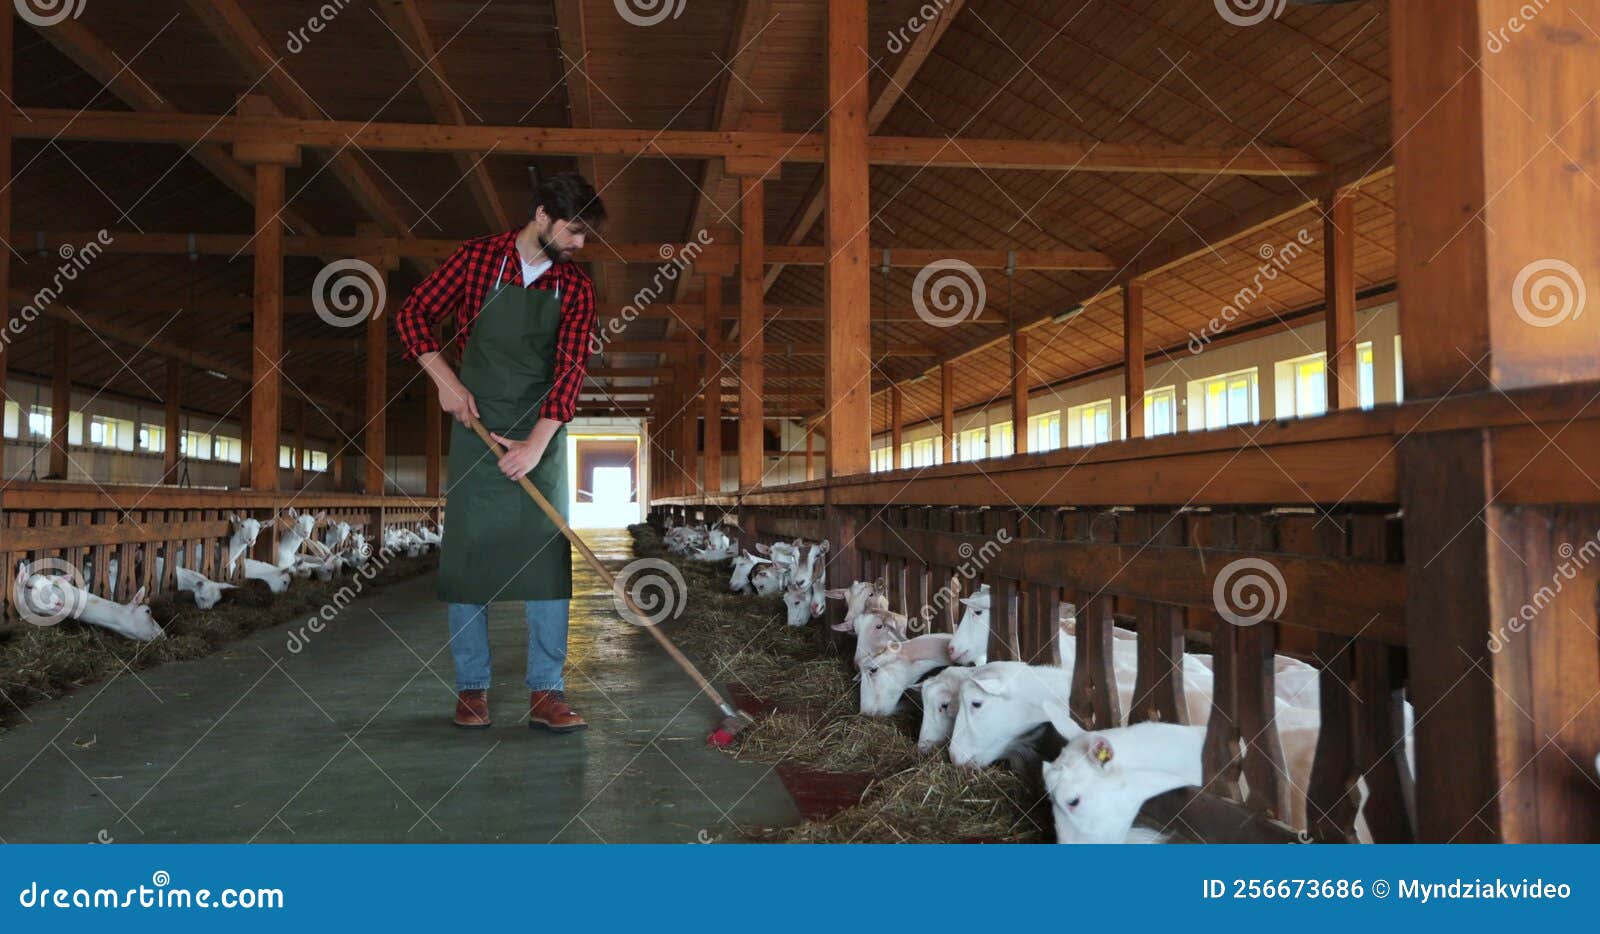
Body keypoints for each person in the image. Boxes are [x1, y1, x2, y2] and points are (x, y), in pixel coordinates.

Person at [395, 172, 606, 732]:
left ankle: (546, 692)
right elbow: (411, 316)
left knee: (547, 559)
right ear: (542, 215)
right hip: (475, 424)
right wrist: (444, 380)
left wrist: (538, 444)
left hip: (542, 430)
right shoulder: (475, 260)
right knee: (468, 555)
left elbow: (570, 370)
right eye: (575, 231)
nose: (581, 245)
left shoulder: (576, 289)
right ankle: (472, 689)